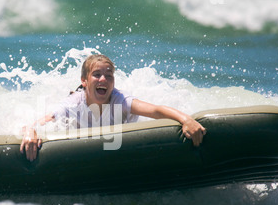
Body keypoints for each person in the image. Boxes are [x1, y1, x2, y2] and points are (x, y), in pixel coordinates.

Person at [20, 54, 206, 161]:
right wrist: (30, 133)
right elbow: (38, 123)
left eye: (109, 76)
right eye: (97, 75)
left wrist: (186, 120)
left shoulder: (121, 100)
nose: (103, 79)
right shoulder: (73, 104)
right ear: (84, 81)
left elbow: (157, 110)